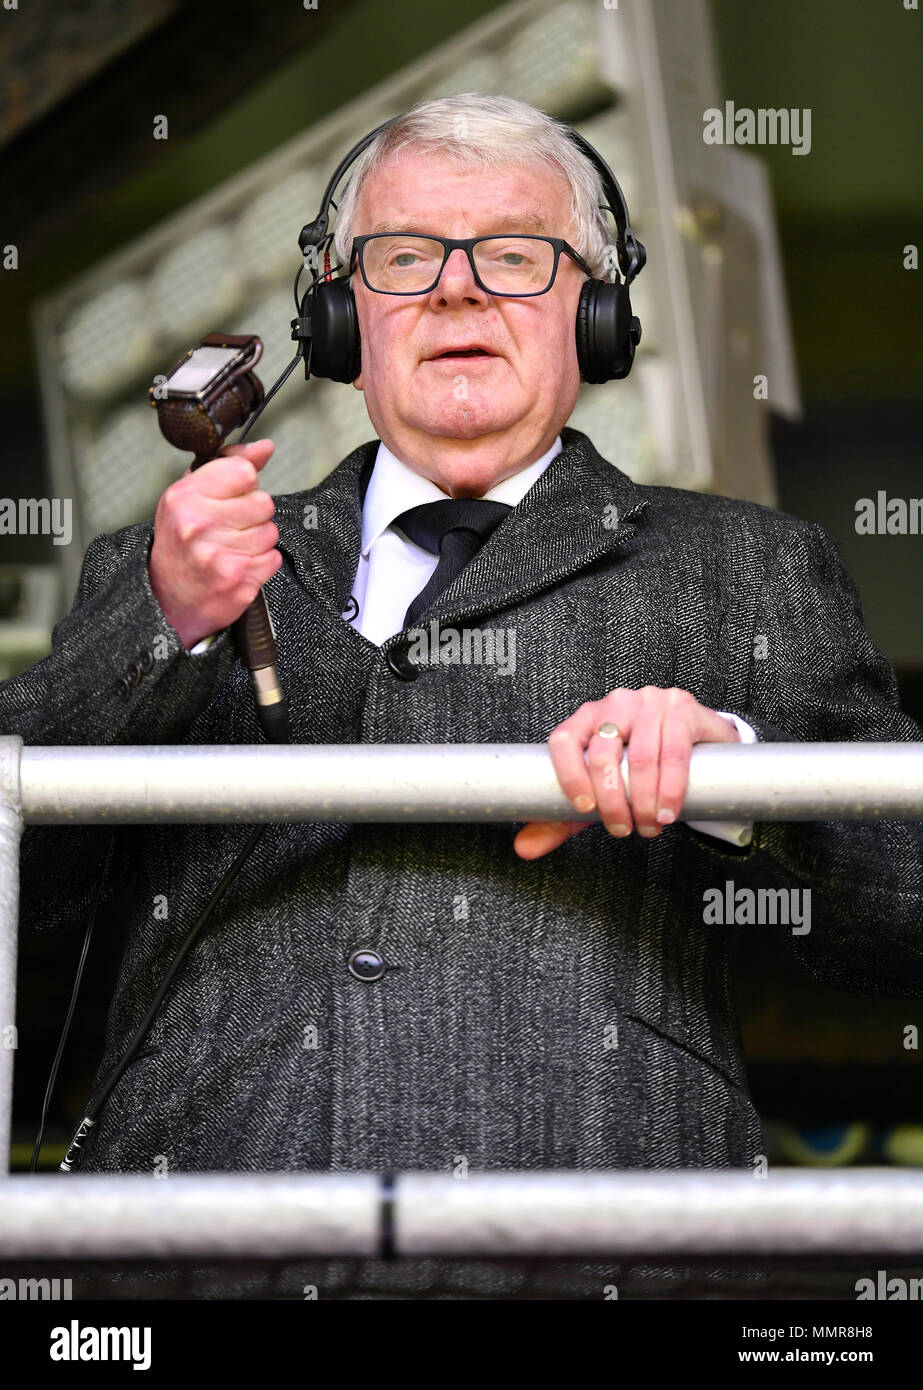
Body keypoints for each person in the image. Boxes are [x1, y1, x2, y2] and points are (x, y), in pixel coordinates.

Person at [3, 94, 921, 1300]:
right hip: (206, 1255)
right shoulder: (159, 565)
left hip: (607, 1247)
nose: (455, 289)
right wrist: (165, 624)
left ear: (593, 310)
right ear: (339, 317)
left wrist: (735, 772)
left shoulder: (744, 568)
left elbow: (906, 901)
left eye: (514, 254)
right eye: (404, 257)